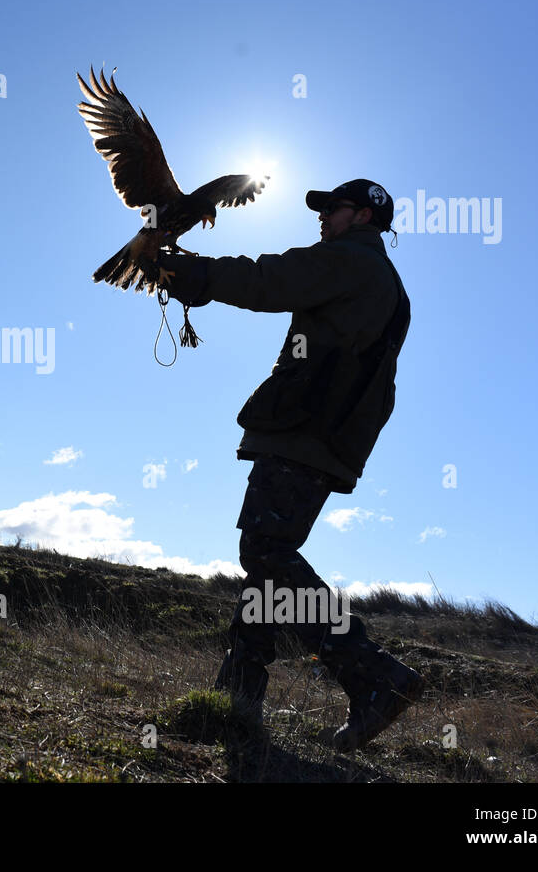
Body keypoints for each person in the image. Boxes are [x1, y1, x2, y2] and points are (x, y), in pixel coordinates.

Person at [143, 179, 424, 752]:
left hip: (307, 429)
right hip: (322, 434)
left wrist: (196, 276)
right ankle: (236, 698)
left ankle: (375, 676)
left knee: (267, 554)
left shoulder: (352, 261)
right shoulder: (382, 279)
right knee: (266, 561)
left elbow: (270, 280)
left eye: (333, 209)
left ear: (365, 215)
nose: (322, 218)